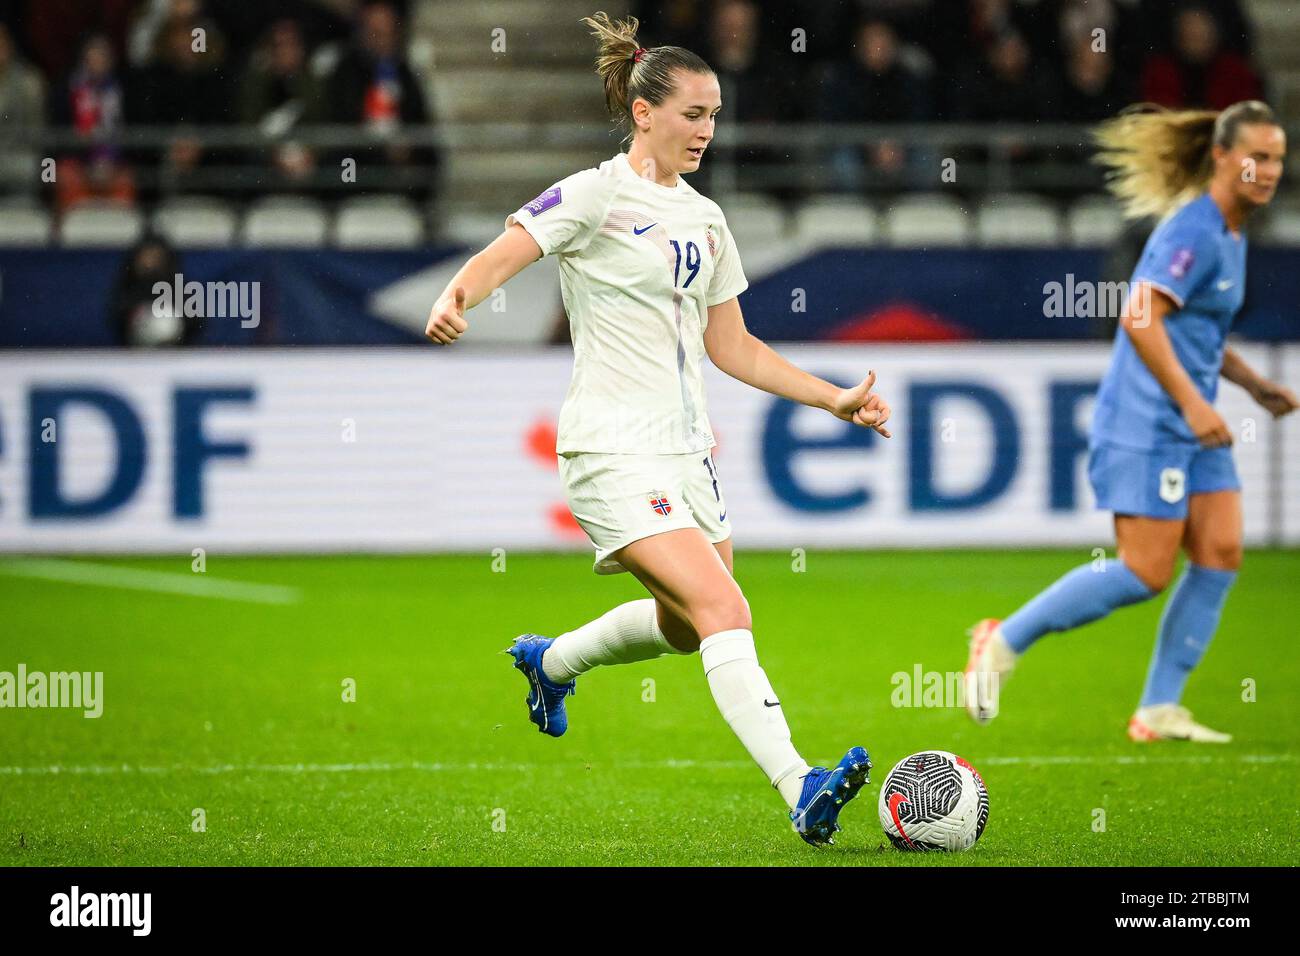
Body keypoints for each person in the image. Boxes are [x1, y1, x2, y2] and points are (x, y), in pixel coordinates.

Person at [424, 12, 892, 846]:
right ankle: (801, 785)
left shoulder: (707, 220)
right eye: (692, 113)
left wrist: (832, 400)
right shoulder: (597, 193)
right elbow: (511, 245)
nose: (707, 130)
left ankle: (551, 663)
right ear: (645, 113)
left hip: (688, 455)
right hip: (609, 447)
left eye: (715, 115)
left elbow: (733, 347)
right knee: (723, 607)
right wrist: (457, 293)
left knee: (685, 627)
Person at [965, 101, 1297, 742]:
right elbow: (1140, 318)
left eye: (1279, 157)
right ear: (1223, 157)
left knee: (1222, 551)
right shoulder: (1194, 230)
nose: (1270, 170)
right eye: (1257, 156)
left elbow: (1195, 331)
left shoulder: (1233, 234)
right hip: (1150, 422)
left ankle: (1157, 708)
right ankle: (1002, 639)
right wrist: (1196, 404)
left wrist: (1253, 386)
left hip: (1191, 425)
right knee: (1145, 572)